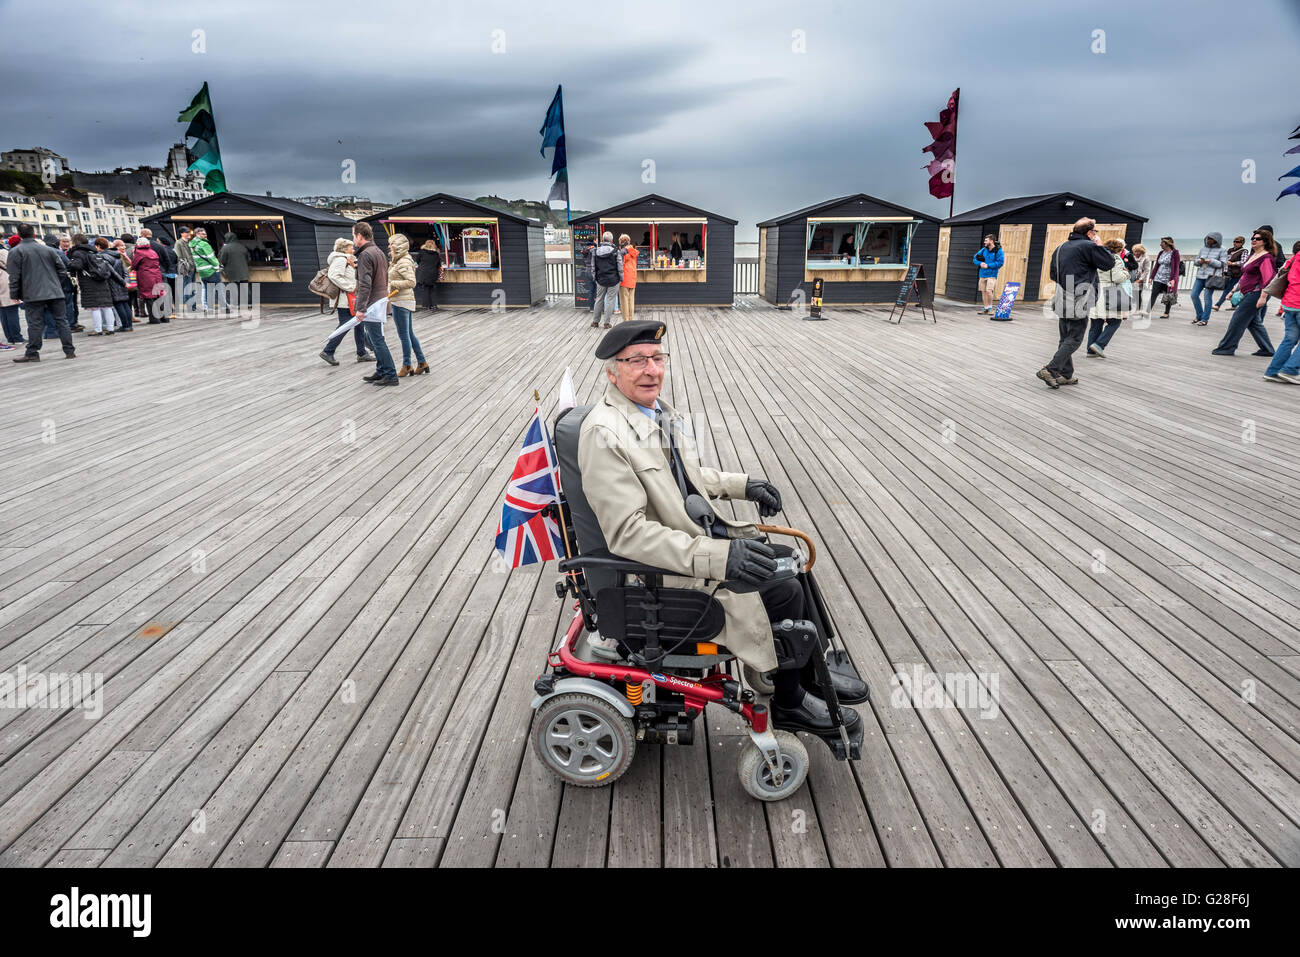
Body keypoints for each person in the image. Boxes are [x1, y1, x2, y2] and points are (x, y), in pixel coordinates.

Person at [576, 320, 868, 733]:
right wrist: (721, 556)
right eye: (636, 361)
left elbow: (687, 476)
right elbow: (629, 534)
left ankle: (809, 674)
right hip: (658, 573)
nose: (651, 370)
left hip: (690, 541)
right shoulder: (604, 434)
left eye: (657, 359)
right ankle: (788, 701)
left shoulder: (655, 412)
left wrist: (743, 485)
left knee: (789, 560)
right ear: (611, 371)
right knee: (781, 589)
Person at [1036, 218, 1116, 389]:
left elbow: (1052, 274)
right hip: (1079, 297)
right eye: (1095, 232)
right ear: (1089, 233)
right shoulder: (1089, 246)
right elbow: (1109, 263)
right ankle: (1051, 370)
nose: (1096, 235)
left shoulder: (1061, 247)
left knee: (1065, 337)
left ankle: (1065, 375)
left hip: (1060, 296)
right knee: (1075, 338)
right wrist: (1099, 245)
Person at [6, 223, 74, 363]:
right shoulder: (49, 250)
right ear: (34, 234)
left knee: (35, 323)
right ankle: (69, 350)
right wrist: (55, 283)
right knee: (62, 321)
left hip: (32, 293)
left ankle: (33, 352)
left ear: (18, 235)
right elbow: (62, 270)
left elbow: (14, 276)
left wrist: (14, 294)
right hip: (54, 291)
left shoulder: (15, 252)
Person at [1213, 229, 1277, 357]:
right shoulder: (1253, 255)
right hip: (1246, 292)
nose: (1254, 240)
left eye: (1258, 239)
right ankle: (1267, 349)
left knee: (1237, 319)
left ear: (1265, 242)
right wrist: (1233, 291)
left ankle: (1226, 347)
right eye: (1253, 238)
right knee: (1254, 323)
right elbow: (1245, 276)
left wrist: (1263, 297)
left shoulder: (1266, 258)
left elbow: (1268, 279)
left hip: (1256, 293)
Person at [351, 221, 398, 386]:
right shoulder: (378, 251)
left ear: (359, 236)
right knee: (374, 338)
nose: (353, 240)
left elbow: (365, 284)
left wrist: (360, 308)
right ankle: (381, 370)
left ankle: (390, 374)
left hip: (372, 303)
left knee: (376, 340)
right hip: (381, 300)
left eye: (354, 236)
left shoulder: (365, 255)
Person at [318, 238, 370, 366]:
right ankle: (328, 351)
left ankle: (362, 353)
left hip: (350, 298)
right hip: (345, 299)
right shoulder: (340, 260)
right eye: (351, 247)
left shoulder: (346, 259)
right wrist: (351, 287)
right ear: (344, 249)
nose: (353, 249)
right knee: (346, 324)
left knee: (358, 324)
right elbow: (334, 276)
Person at [386, 233, 426, 377]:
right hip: (401, 300)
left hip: (401, 301)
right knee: (409, 334)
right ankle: (422, 362)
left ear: (397, 246)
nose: (389, 246)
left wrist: (392, 284)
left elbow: (411, 282)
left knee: (404, 336)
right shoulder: (399, 260)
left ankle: (407, 364)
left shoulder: (403, 261)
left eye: (391, 244)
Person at [1085, 238, 1131, 358]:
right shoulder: (1115, 259)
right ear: (1119, 249)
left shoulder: (1097, 257)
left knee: (1096, 322)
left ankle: (1090, 350)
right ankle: (1099, 345)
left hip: (1096, 289)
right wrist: (1126, 273)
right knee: (1115, 321)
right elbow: (1117, 277)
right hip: (1111, 290)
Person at [1264, 243, 1300, 383]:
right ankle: (1289, 370)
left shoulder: (1293, 259)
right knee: (1290, 339)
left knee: (1289, 339)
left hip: (1289, 303)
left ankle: (1273, 371)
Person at [67, 233, 114, 336]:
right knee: (106, 306)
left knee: (95, 307)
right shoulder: (93, 250)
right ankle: (110, 328)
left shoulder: (78, 252)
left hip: (89, 282)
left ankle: (98, 330)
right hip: (101, 280)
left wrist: (69, 264)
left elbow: (78, 265)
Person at [1189, 232, 1227, 325]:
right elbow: (1195, 262)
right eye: (1208, 238)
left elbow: (1223, 264)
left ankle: (1204, 319)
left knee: (1207, 298)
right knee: (1193, 295)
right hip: (1200, 275)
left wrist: (1210, 261)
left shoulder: (1222, 250)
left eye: (1211, 239)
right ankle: (1199, 315)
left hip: (1211, 277)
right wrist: (1200, 261)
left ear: (1216, 240)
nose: (1208, 240)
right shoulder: (1203, 248)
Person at [589, 231, 623, 329]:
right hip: (614, 279)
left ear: (603, 239)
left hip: (600, 279)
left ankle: (595, 322)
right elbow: (620, 266)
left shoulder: (595, 251)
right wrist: (621, 278)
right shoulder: (616, 251)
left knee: (599, 299)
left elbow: (593, 267)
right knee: (610, 300)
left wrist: (595, 277)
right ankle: (606, 323)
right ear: (612, 240)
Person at [130, 237, 164, 324]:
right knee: (158, 296)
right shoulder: (153, 252)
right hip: (157, 275)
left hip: (146, 277)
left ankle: (154, 319)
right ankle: (164, 317)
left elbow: (134, 266)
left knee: (149, 297)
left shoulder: (139, 253)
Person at [102, 237, 133, 333]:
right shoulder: (118, 256)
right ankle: (129, 325)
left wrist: (122, 282)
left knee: (119, 304)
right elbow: (125, 272)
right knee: (125, 304)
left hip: (113, 284)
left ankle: (125, 326)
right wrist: (125, 282)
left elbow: (112, 273)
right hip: (123, 283)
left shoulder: (104, 257)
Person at [55, 233, 83, 332]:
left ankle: (74, 321)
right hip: (64, 281)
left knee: (74, 302)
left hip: (73, 280)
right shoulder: (58, 253)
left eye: (68, 241)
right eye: (64, 242)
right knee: (68, 303)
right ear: (59, 242)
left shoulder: (71, 252)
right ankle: (70, 324)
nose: (66, 244)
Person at [190, 227, 221, 314]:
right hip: (210, 270)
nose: (205, 235)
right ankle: (224, 305)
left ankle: (205, 306)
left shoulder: (192, 245)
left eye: (205, 233)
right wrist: (217, 266)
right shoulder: (204, 244)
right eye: (203, 234)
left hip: (201, 271)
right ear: (197, 235)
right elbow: (211, 258)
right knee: (218, 288)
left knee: (205, 289)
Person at [218, 231, 250, 313]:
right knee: (245, 287)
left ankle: (236, 304)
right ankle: (249, 303)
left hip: (232, 272)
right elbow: (248, 258)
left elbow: (222, 260)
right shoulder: (242, 246)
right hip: (243, 271)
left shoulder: (225, 248)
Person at [1, 234, 24, 345]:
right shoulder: (3, 252)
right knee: (11, 310)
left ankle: (10, 337)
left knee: (3, 313)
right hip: (5, 282)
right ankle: (17, 337)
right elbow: (11, 266)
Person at [149, 230, 178, 319]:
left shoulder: (162, 249)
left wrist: (165, 269)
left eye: (158, 241)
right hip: (174, 273)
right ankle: (175, 310)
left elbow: (164, 261)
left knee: (167, 292)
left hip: (166, 273)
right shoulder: (172, 250)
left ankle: (170, 310)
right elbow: (176, 260)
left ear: (161, 242)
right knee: (174, 292)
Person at [973, 234, 1004, 314]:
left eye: (986, 240)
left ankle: (990, 308)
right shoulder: (983, 250)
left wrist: (988, 265)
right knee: (983, 291)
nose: (984, 242)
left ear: (991, 241)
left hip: (992, 275)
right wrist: (980, 263)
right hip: (982, 274)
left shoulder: (998, 251)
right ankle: (985, 308)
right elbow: (975, 258)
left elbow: (1000, 263)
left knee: (989, 291)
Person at [1214, 235, 1247, 311]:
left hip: (1237, 274)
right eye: (1234, 241)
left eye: (1237, 242)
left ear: (1242, 243)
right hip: (1228, 273)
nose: (1235, 243)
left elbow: (1244, 262)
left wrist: (1232, 263)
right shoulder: (1230, 250)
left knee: (1228, 289)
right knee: (1234, 289)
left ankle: (1218, 305)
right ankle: (1234, 305)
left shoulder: (1244, 251)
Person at [414, 238, 442, 311]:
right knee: (432, 289)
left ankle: (426, 305)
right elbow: (438, 264)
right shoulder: (436, 254)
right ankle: (434, 305)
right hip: (433, 273)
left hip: (423, 273)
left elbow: (416, 262)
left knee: (425, 289)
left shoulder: (421, 252)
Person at [175, 225, 197, 313]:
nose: (189, 234)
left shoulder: (190, 242)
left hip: (192, 267)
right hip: (186, 268)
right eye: (187, 232)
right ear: (182, 233)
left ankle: (193, 305)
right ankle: (189, 305)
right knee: (187, 287)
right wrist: (185, 269)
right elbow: (179, 257)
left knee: (192, 287)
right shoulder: (179, 243)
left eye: (189, 232)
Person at [618, 233, 637, 323]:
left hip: (624, 278)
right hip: (632, 278)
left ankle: (626, 321)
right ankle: (631, 319)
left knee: (624, 300)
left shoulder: (623, 252)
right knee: (631, 300)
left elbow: (620, 264)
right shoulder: (633, 250)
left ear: (621, 242)